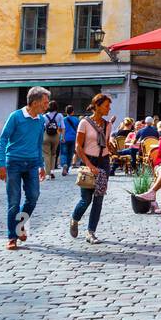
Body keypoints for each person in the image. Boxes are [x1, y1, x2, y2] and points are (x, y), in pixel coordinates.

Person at [0, 86, 53, 251]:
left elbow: (38, 144)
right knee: (13, 201)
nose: (47, 105)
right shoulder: (15, 117)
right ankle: (12, 236)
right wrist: (1, 163)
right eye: (45, 102)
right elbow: (3, 140)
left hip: (32, 164)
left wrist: (41, 165)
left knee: (33, 197)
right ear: (34, 102)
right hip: (13, 163)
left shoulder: (41, 120)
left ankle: (19, 225)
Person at [70, 94, 116, 244]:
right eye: (106, 105)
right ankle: (75, 219)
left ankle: (91, 232)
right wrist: (89, 165)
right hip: (88, 160)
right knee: (86, 199)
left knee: (99, 199)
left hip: (104, 162)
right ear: (97, 105)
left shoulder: (108, 125)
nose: (109, 108)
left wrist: (113, 147)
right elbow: (78, 146)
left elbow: (106, 144)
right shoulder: (84, 123)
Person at [42, 101, 65, 178]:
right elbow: (62, 127)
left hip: (46, 136)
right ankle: (52, 171)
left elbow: (41, 127)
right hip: (56, 135)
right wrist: (62, 137)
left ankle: (47, 174)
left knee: (46, 154)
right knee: (53, 154)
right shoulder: (59, 115)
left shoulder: (44, 116)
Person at [60, 103, 79, 173]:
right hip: (73, 138)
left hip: (64, 138)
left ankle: (64, 164)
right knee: (70, 154)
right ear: (73, 112)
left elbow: (60, 129)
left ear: (66, 111)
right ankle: (67, 168)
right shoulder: (76, 120)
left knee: (63, 153)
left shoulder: (63, 119)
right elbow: (78, 129)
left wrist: (61, 136)